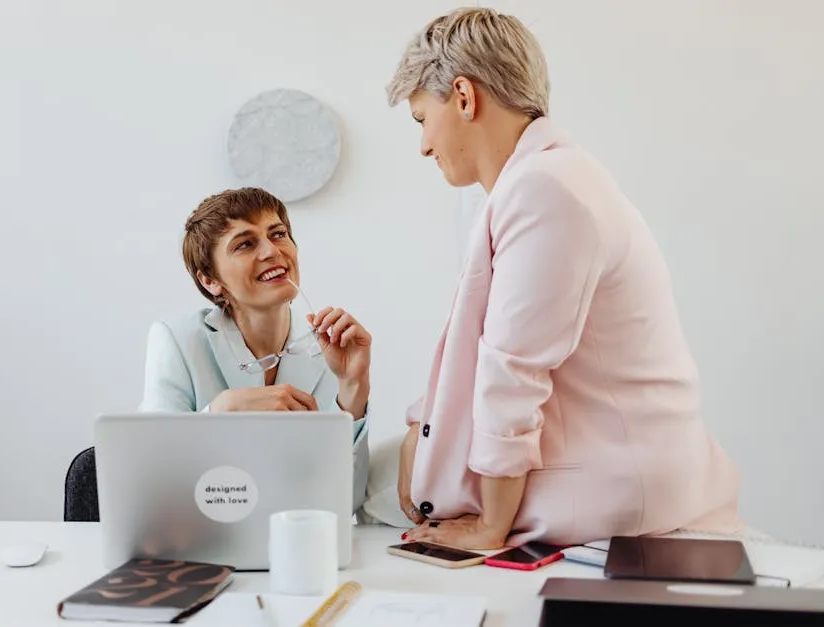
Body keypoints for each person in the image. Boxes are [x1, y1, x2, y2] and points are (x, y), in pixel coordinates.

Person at [386, 7, 741, 549]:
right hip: (629, 475)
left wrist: (489, 528)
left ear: (464, 96)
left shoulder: (546, 191)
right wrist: (420, 429)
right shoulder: (540, 182)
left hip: (611, 495)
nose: (424, 146)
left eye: (420, 119)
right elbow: (478, 353)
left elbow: (513, 369)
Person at [138, 187, 371, 512]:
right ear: (210, 280)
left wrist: (352, 387)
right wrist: (220, 413)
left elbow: (348, 502)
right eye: (245, 244)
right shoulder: (177, 340)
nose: (272, 251)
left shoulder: (328, 349)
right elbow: (148, 474)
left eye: (278, 234)